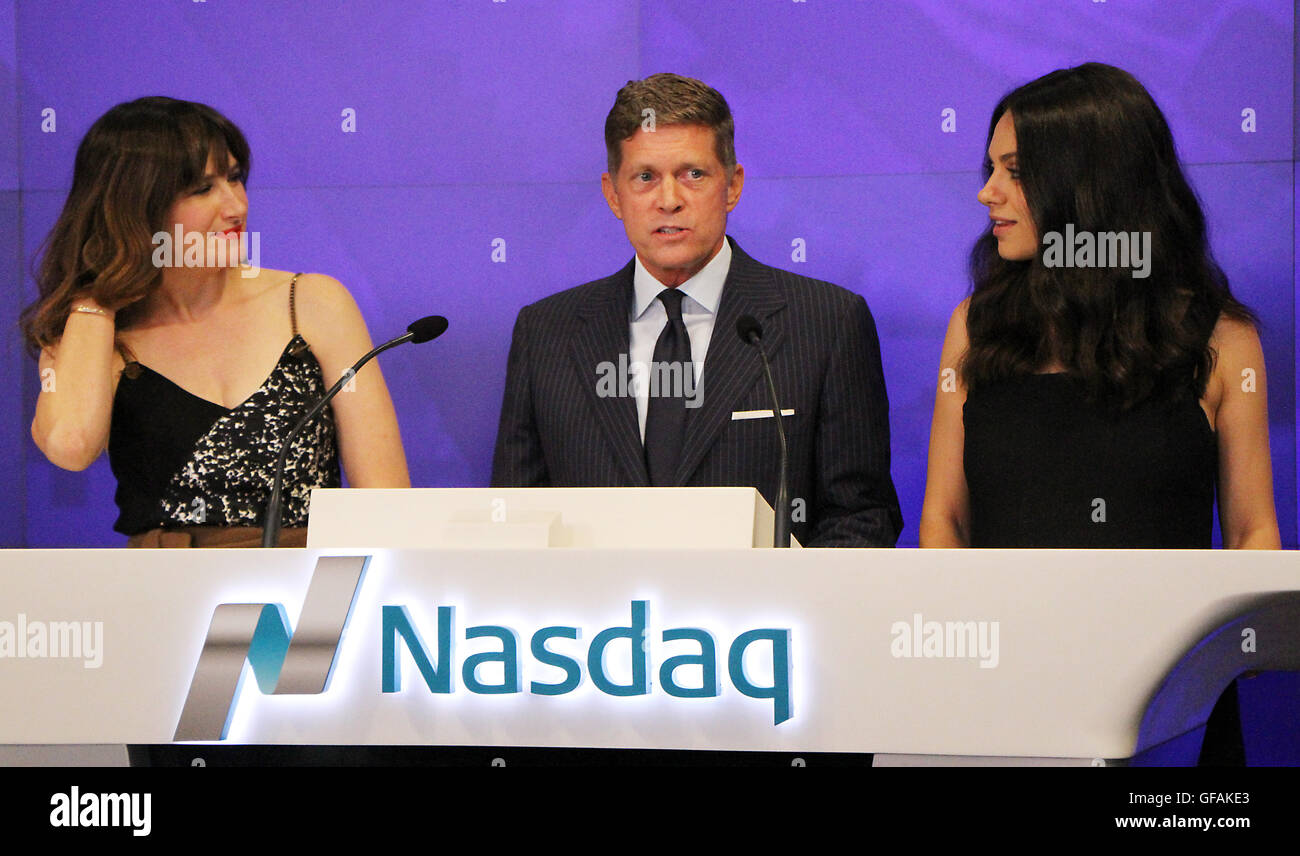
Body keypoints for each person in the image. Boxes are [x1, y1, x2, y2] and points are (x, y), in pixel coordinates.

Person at [919, 63, 1280, 761]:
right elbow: (944, 520)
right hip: (1003, 700)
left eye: (1015, 171)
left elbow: (1253, 533)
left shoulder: (1222, 339)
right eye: (991, 167)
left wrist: (1212, 658)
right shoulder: (976, 326)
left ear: (1090, 185)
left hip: (1171, 716)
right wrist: (965, 646)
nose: (986, 192)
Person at [490, 73, 901, 547]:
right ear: (612, 194)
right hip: (599, 620)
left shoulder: (826, 321)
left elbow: (861, 516)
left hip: (766, 618)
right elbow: (514, 519)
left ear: (732, 186)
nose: (669, 200)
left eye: (694, 175)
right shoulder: (546, 333)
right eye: (645, 177)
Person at [24, 96, 409, 547]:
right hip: (165, 594)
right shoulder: (94, 330)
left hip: (309, 588)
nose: (236, 206)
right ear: (135, 206)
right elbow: (70, 447)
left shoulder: (311, 302)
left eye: (235, 178)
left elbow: (386, 500)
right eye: (202, 189)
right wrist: (98, 298)